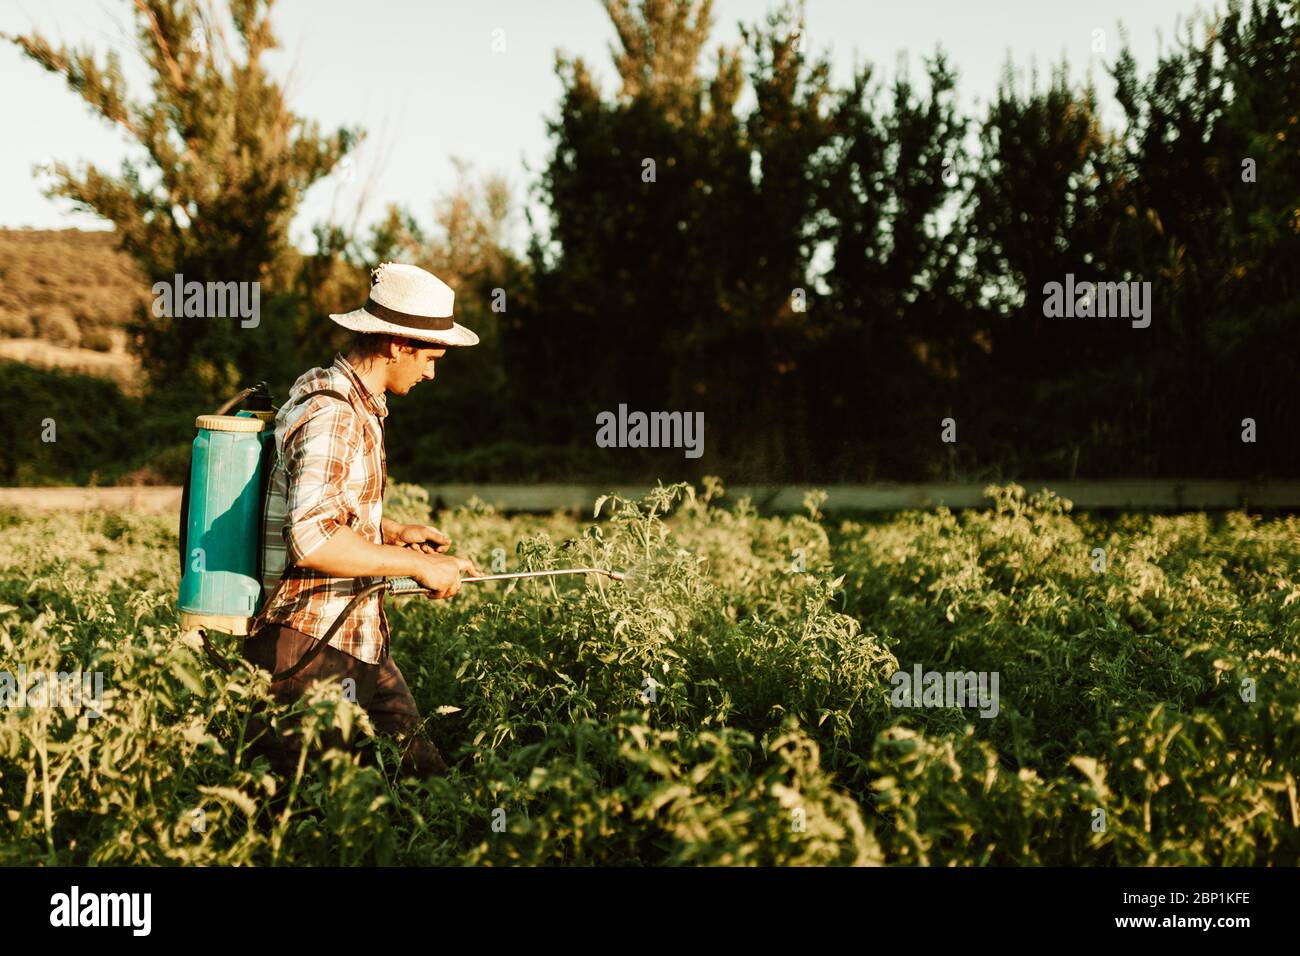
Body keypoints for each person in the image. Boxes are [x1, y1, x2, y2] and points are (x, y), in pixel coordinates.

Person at [242, 262, 482, 778]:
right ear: (396, 344)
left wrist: (392, 532)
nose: (431, 372)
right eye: (430, 357)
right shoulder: (334, 413)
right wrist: (414, 567)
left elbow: (316, 502)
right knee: (300, 818)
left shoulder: (351, 403)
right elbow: (311, 538)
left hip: (352, 634)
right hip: (308, 648)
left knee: (428, 787)